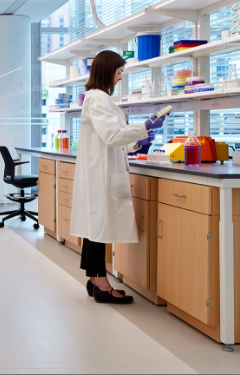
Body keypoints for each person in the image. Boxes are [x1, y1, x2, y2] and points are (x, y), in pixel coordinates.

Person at [69, 50, 165, 304]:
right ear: (107, 71)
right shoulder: (98, 98)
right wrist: (144, 127)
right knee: (99, 228)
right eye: (119, 72)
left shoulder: (98, 98)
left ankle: (94, 280)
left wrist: (139, 141)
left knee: (96, 227)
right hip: (100, 173)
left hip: (100, 170)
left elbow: (113, 135)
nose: (120, 78)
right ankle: (102, 285)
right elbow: (111, 136)